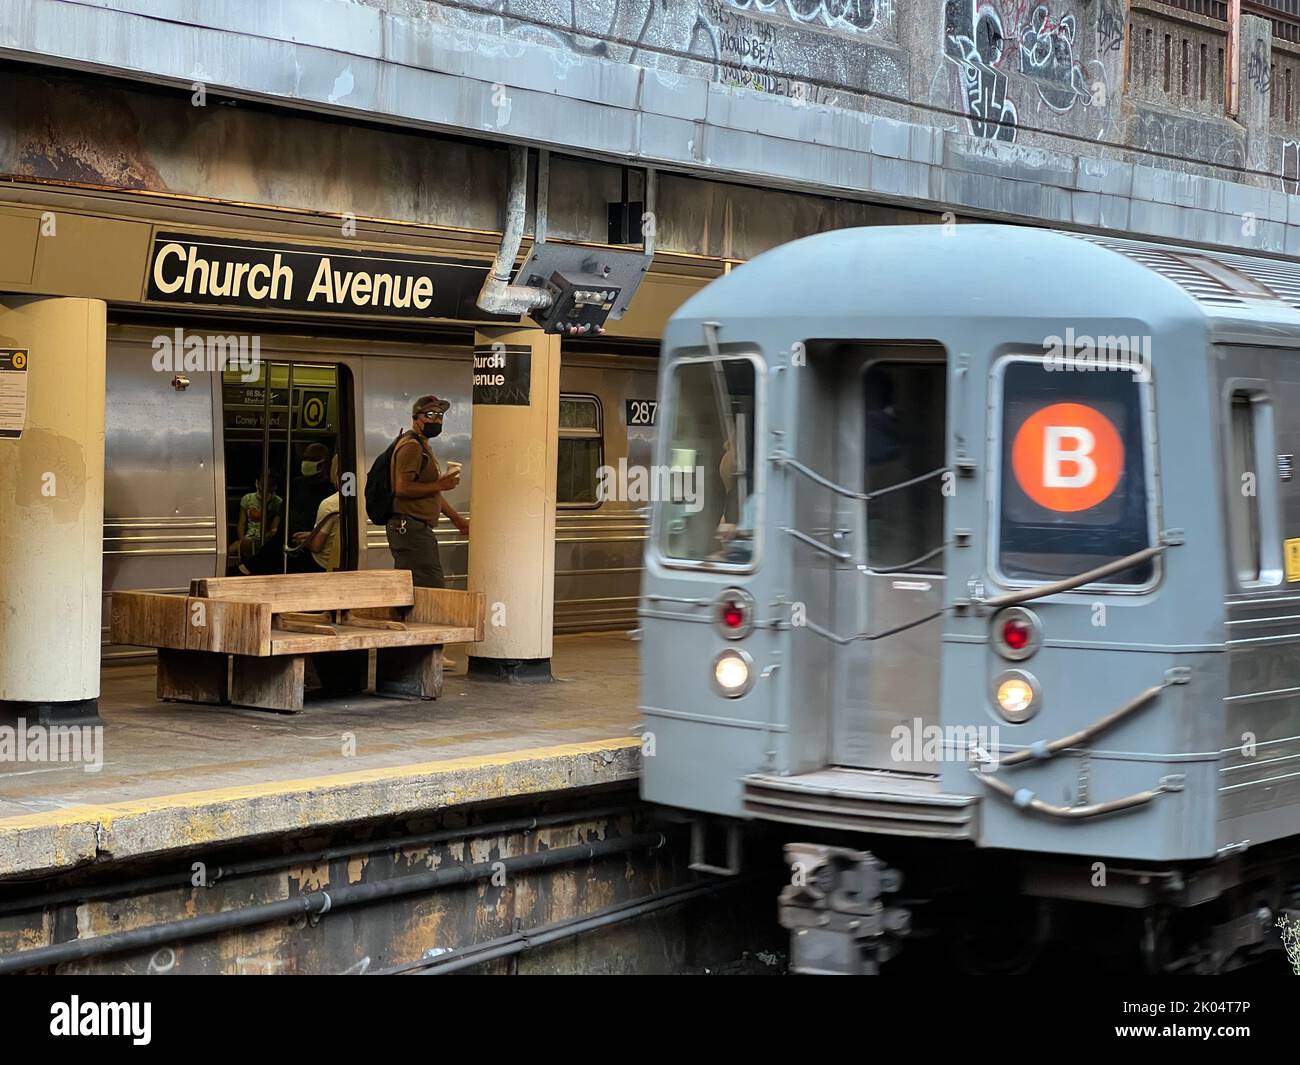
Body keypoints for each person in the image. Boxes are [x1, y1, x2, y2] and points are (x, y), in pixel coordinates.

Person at [386, 394, 468, 588]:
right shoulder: (412, 447)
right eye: (430, 414)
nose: (436, 420)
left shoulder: (422, 446)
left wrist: (457, 520)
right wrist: (440, 484)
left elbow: (430, 492)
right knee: (428, 586)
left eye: (440, 415)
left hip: (416, 528)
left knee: (422, 585)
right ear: (416, 418)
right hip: (410, 528)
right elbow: (402, 488)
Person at [293, 455, 342, 572]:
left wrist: (302, 541)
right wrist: (312, 535)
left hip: (323, 564)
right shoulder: (358, 501)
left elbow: (316, 546)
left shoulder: (329, 504)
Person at [228, 470, 282, 574]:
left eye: (270, 485)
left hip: (266, 538)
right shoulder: (247, 499)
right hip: (249, 537)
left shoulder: (277, 502)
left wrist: (267, 503)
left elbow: (274, 528)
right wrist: (241, 540)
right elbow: (242, 523)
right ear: (257, 483)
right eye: (264, 484)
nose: (266, 487)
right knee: (229, 550)